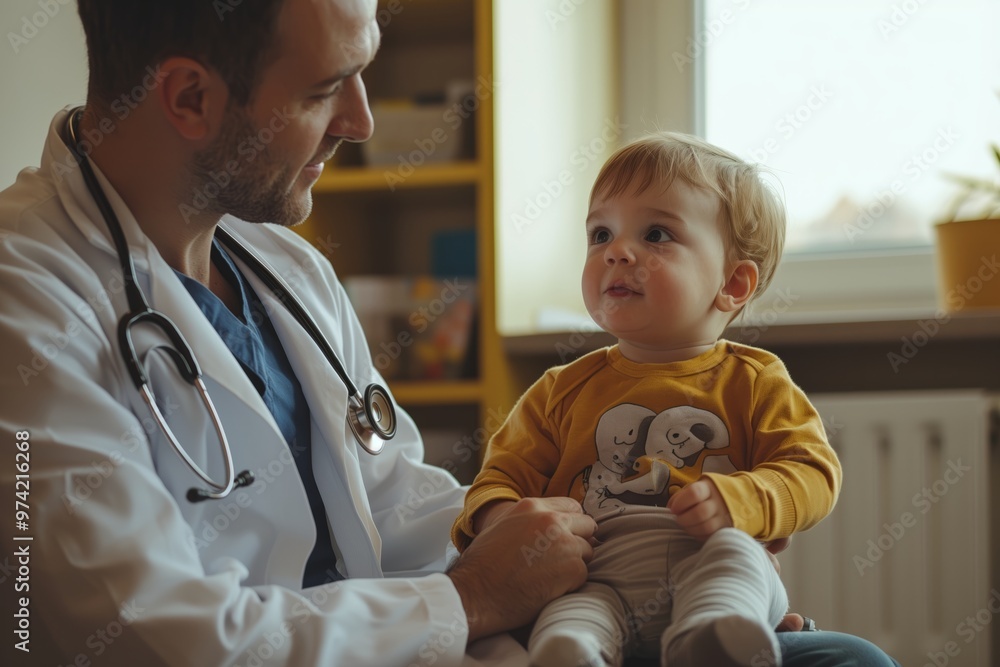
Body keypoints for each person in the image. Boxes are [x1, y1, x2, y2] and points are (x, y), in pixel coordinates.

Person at [0, 1, 896, 665]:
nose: (362, 120)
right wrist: (468, 599)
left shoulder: (285, 270)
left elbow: (400, 508)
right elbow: (147, 638)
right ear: (191, 97)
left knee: (841, 660)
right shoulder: (26, 302)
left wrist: (657, 583)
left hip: (432, 642)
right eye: (326, 88)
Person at [452, 134, 901, 667]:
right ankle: (571, 652)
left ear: (733, 283)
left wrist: (743, 501)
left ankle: (711, 642)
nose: (616, 251)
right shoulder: (558, 391)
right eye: (600, 234)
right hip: (597, 576)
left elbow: (813, 472)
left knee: (810, 616)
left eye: (656, 234)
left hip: (709, 564)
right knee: (569, 610)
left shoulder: (756, 381)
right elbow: (497, 480)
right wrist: (501, 519)